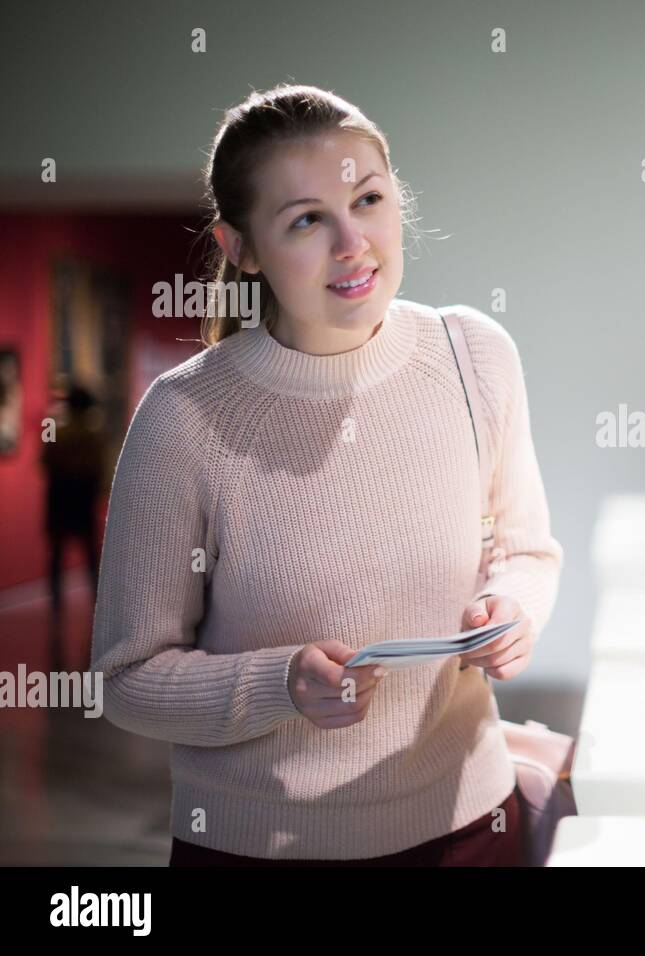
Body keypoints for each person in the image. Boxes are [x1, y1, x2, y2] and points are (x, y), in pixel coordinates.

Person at [89, 84, 563, 866]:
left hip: (473, 829)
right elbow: (128, 678)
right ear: (239, 245)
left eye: (368, 199)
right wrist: (282, 686)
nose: (354, 243)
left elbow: (528, 550)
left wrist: (515, 609)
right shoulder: (183, 417)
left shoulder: (474, 356)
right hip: (260, 848)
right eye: (307, 219)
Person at [42, 382, 107, 671]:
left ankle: (55, 606)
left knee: (56, 554)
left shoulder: (57, 431)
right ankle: (97, 602)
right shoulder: (93, 434)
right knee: (89, 554)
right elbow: (99, 470)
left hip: (59, 497)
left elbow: (44, 462)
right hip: (82, 499)